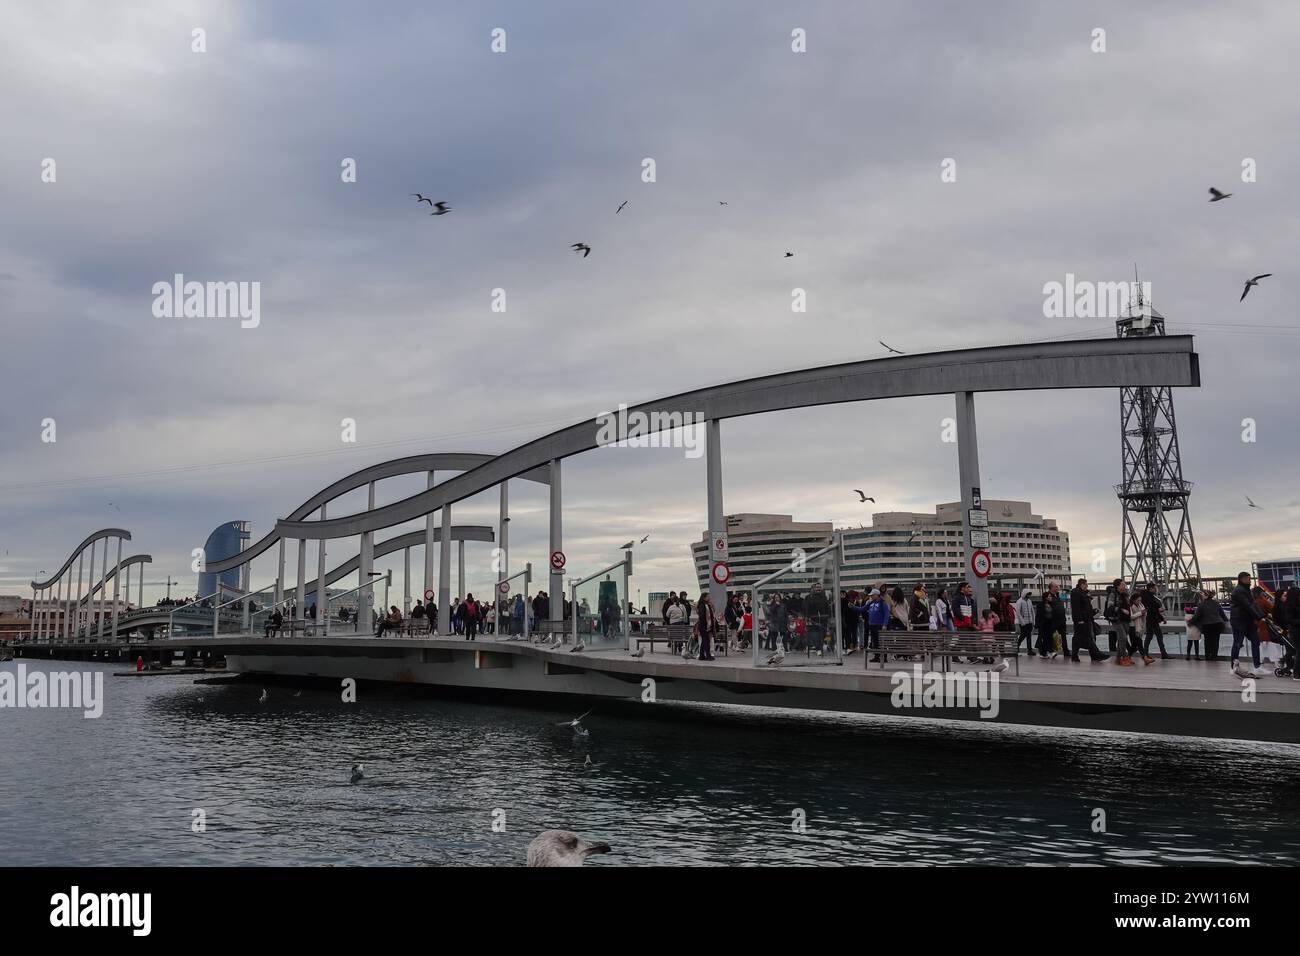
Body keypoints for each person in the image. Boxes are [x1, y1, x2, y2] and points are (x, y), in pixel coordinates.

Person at [1229, 571, 1266, 675]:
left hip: (1247, 620)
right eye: (1248, 579)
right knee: (1238, 643)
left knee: (1255, 641)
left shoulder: (1247, 590)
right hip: (1239, 620)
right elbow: (1248, 605)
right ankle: (1233, 667)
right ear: (1242, 579)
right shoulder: (1239, 591)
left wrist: (1262, 615)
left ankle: (1257, 666)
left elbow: (1253, 604)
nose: (1250, 581)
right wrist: (1259, 616)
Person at [1069, 578, 1109, 662]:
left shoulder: (1082, 593)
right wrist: (1079, 619)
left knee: (1078, 638)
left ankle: (1076, 656)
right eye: (1086, 584)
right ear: (1082, 584)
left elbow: (1085, 607)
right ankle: (1096, 654)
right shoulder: (1076, 593)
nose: (1087, 586)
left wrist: (1093, 612)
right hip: (1082, 620)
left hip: (1086, 619)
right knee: (1088, 637)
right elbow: (1076, 608)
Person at [1188, 588, 1226, 662]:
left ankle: (1208, 656)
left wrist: (1190, 622)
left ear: (1205, 596)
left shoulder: (1202, 604)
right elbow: (1222, 615)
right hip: (1218, 624)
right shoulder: (1217, 603)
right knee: (1215, 641)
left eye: (1202, 594)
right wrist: (1227, 621)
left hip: (1207, 625)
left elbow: (1197, 616)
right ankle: (1214, 656)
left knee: (1207, 641)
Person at [1140, 582, 1169, 659]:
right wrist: (1159, 610)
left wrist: (1161, 616)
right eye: (1155, 588)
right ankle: (1163, 654)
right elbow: (1149, 608)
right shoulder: (1148, 597)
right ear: (1151, 588)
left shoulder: (1147, 596)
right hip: (1152, 620)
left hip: (1150, 619)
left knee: (1149, 636)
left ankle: (1145, 653)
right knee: (1159, 636)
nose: (1156, 590)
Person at [865, 588, 888, 661]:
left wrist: (884, 624)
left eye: (872, 595)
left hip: (879, 625)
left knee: (881, 641)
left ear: (877, 595)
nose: (871, 596)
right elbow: (862, 609)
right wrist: (853, 607)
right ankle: (876, 656)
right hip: (872, 625)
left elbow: (886, 614)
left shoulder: (883, 603)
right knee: (875, 642)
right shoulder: (871, 602)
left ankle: (884, 657)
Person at [695, 594, 719, 661]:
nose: (709, 598)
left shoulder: (707, 605)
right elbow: (702, 617)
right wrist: (704, 626)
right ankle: (708, 656)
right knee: (706, 641)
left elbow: (711, 615)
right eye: (707, 597)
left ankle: (702, 655)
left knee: (704, 641)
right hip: (704, 626)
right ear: (704, 598)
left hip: (708, 626)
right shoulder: (702, 606)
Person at [1013, 588, 1036, 658]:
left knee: (1029, 636)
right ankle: (1017, 646)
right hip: (1023, 623)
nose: (1029, 596)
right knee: (1023, 635)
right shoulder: (1019, 601)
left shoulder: (1029, 601)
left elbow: (1032, 611)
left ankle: (1029, 650)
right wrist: (1022, 622)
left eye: (1029, 594)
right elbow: (1018, 612)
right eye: (1028, 594)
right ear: (1025, 594)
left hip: (1029, 622)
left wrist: (1033, 621)